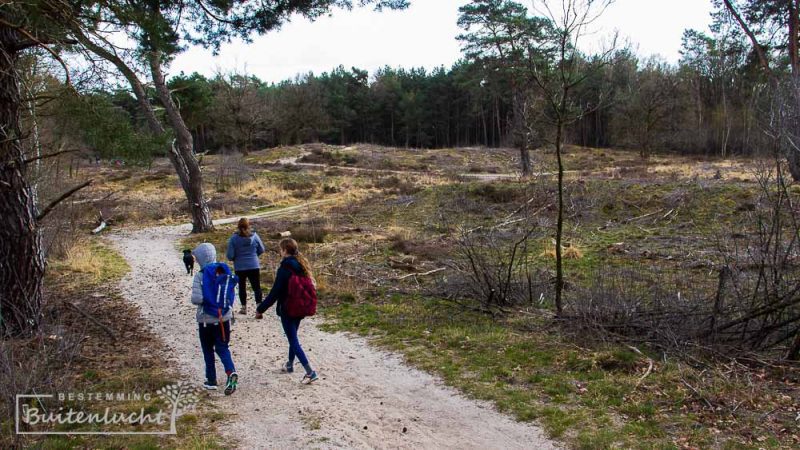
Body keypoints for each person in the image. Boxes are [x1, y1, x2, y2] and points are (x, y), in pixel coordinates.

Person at [255, 238, 319, 384]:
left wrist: (260, 309)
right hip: (301, 307)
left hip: (288, 308)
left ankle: (310, 372)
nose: (280, 252)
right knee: (293, 336)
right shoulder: (302, 265)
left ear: (284, 250)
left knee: (293, 340)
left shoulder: (284, 269)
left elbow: (274, 293)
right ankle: (290, 364)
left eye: (281, 249)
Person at [191, 243, 238, 395]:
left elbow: (196, 299)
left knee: (208, 350)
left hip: (206, 321)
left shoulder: (200, 275)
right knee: (222, 348)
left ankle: (211, 380)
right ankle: (231, 372)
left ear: (201, 258)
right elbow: (231, 295)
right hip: (224, 319)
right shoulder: (224, 271)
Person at [226, 218, 265, 315]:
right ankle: (259, 309)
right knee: (256, 287)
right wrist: (255, 255)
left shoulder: (234, 239)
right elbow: (262, 249)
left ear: (238, 226)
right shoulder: (255, 236)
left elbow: (230, 255)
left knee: (242, 287)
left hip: (240, 266)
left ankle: (244, 308)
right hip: (254, 265)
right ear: (249, 225)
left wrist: (235, 258)